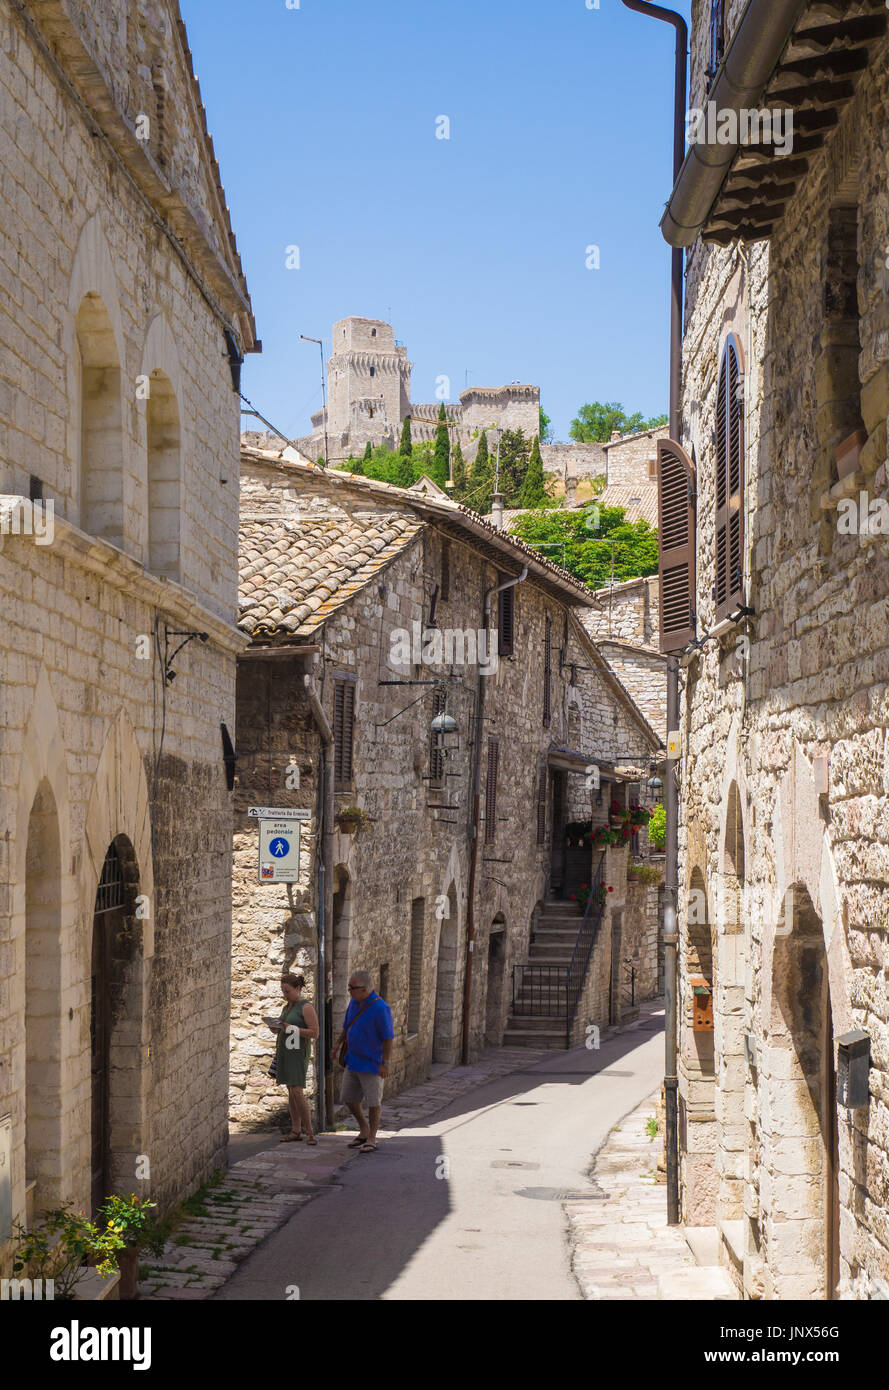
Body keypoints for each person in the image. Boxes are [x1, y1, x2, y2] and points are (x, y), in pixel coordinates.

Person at [332, 970, 394, 1153]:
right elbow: (347, 1026)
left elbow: (388, 1037)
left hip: (372, 1063)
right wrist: (337, 1044)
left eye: (352, 988)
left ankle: (372, 1137)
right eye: (349, 987)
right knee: (348, 1098)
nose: (349, 991)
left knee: (374, 1102)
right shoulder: (353, 1003)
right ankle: (364, 1128)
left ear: (365, 989)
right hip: (353, 1060)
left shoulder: (380, 1008)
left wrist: (385, 1063)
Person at [268, 974, 319, 1144]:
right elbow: (284, 1027)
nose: (285, 994)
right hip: (286, 1052)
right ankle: (296, 1130)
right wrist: (276, 1028)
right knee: (291, 1091)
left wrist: (293, 1028)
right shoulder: (287, 1007)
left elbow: (314, 1033)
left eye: (288, 991)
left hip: (297, 1054)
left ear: (298, 989)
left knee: (297, 1091)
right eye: (283, 991)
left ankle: (310, 1132)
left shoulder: (306, 1008)